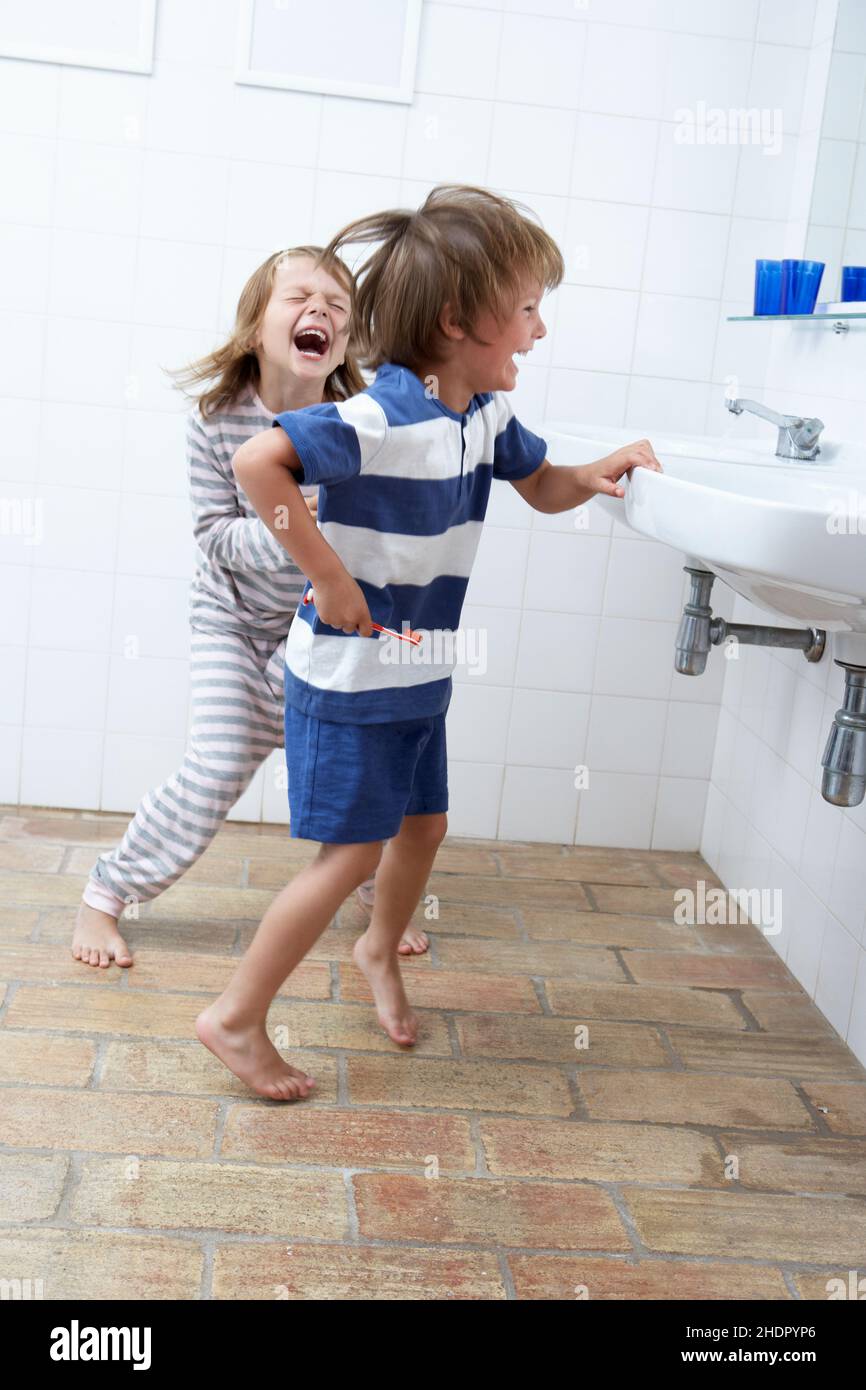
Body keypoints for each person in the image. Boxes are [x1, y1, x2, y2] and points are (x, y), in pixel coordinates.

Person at [194, 183, 661, 1101]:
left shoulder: (482, 417)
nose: (536, 331)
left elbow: (545, 486)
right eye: (526, 310)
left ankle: (378, 948)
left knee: (426, 825)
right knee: (349, 857)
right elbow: (259, 462)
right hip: (348, 678)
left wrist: (595, 473)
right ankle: (236, 1018)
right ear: (456, 322)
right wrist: (327, 575)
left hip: (417, 668)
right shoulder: (380, 417)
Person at [72, 246, 423, 969]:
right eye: (299, 297)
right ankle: (106, 894)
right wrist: (298, 524)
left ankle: (372, 897)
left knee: (355, 765)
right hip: (231, 622)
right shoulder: (217, 420)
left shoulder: (355, 424)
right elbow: (214, 538)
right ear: (256, 327)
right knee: (219, 762)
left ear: (346, 343)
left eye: (337, 305)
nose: (319, 311)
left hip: (316, 627)